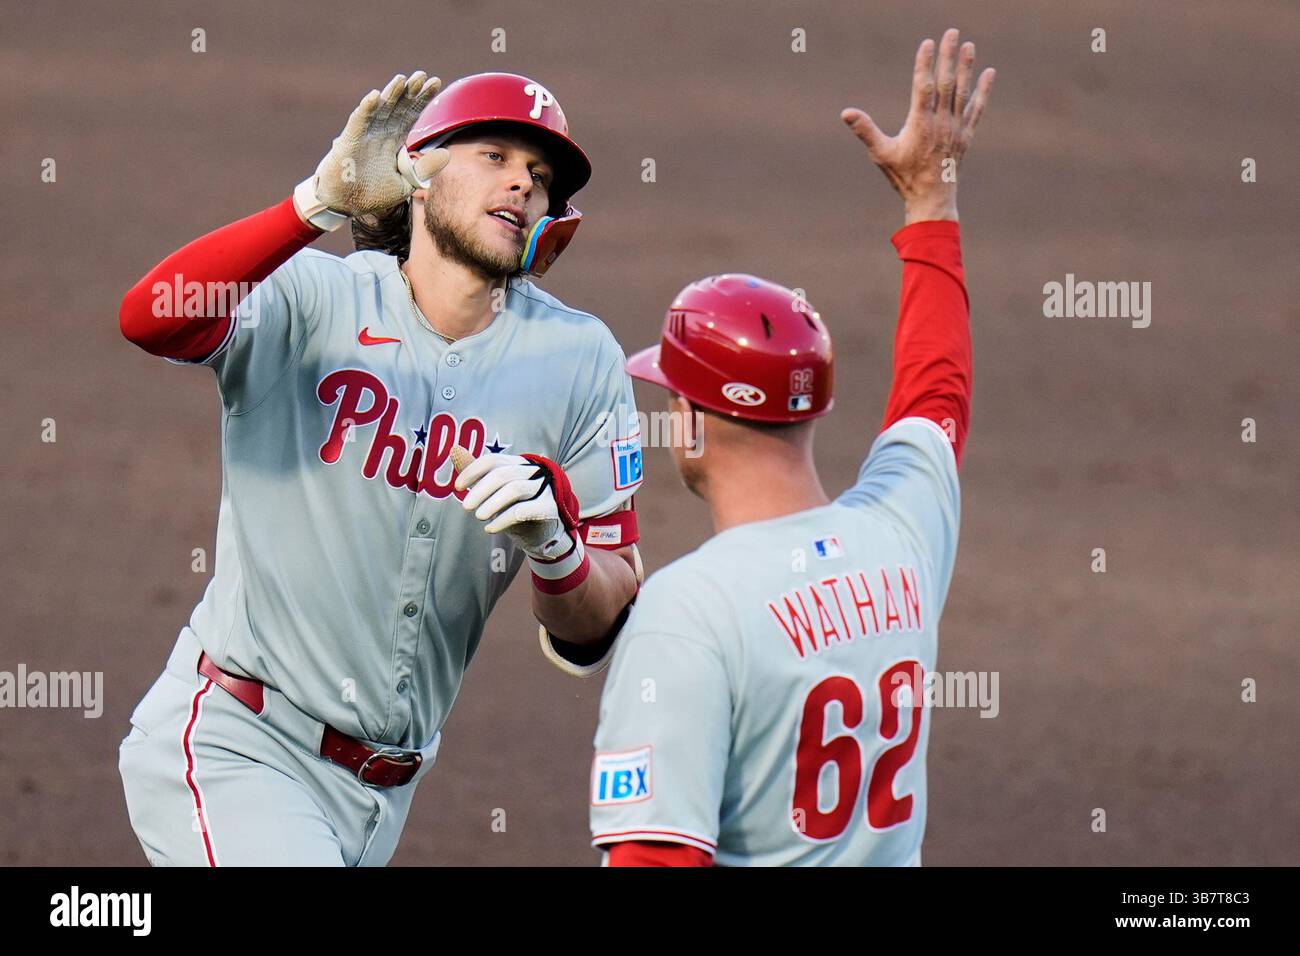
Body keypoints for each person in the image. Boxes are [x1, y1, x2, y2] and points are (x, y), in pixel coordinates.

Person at [116, 70, 644, 866]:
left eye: (539, 178)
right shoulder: (313, 300)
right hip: (237, 745)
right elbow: (149, 318)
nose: (520, 184)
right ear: (418, 177)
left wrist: (555, 546)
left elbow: (601, 621)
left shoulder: (583, 362)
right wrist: (311, 207)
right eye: (494, 155)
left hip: (381, 795)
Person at [588, 29, 994, 866]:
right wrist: (930, 201)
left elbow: (654, 857)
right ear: (810, 410)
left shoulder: (688, 611)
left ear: (692, 424)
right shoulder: (904, 538)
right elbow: (935, 395)